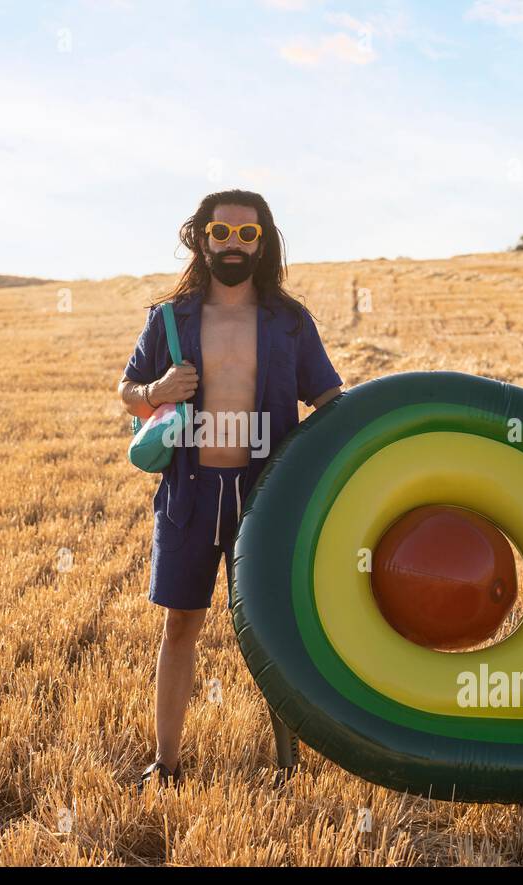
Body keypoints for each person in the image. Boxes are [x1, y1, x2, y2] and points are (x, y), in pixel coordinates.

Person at [117, 189, 344, 791]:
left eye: (248, 235)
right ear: (202, 237)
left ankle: (288, 763)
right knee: (179, 628)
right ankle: (165, 763)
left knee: (276, 631)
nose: (234, 245)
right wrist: (159, 388)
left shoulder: (289, 322)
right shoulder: (169, 318)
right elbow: (128, 391)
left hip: (265, 499)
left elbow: (328, 400)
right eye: (223, 233)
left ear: (263, 242)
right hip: (189, 498)